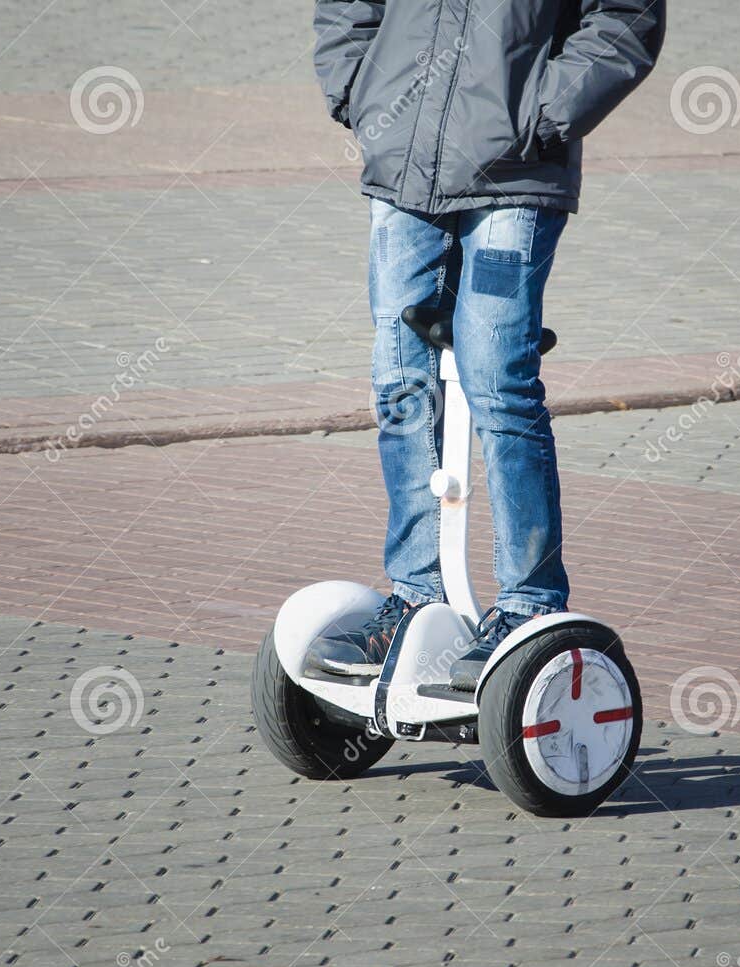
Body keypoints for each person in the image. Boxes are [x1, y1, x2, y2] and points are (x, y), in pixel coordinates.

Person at [305, 0, 664, 689]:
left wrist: (540, 113)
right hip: (405, 167)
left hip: (515, 174)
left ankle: (528, 603)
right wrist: (359, 92)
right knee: (400, 383)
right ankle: (416, 594)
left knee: (498, 380)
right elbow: (348, 9)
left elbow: (625, 17)